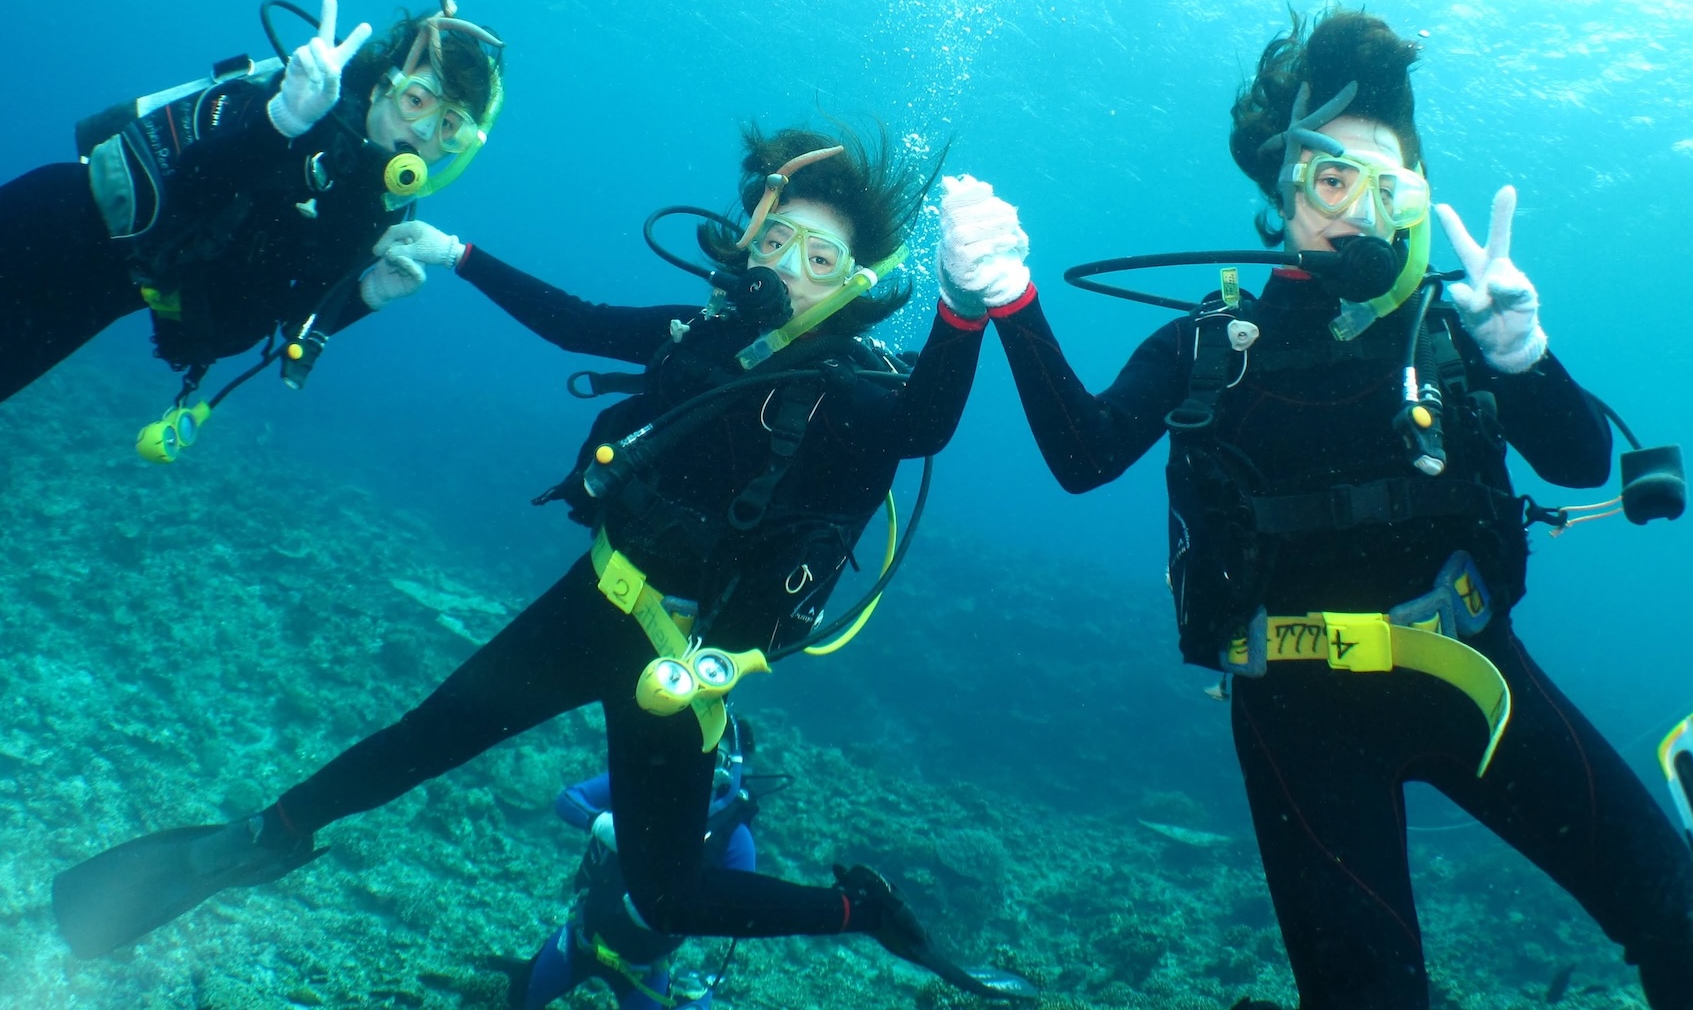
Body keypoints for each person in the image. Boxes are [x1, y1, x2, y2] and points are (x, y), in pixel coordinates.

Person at [51, 126, 1035, 1001]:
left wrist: (958, 309)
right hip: (596, 600)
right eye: (774, 241)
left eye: (820, 257)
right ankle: (262, 840)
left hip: (678, 661)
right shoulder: (699, 335)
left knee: (667, 893)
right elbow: (578, 319)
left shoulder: (855, 392)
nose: (786, 267)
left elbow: (926, 424)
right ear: (743, 241)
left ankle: (862, 914)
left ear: (857, 283)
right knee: (422, 736)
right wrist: (459, 253)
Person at [935, 11, 1693, 1010]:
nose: (1355, 210)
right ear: (1282, 186)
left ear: (1413, 197)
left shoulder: (1448, 327)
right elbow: (1083, 456)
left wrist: (1522, 353)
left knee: (1682, 919)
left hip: (1478, 673)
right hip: (1298, 719)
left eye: (1384, 183)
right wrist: (1007, 297)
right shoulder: (1213, 341)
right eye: (1328, 178)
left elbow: (1576, 457)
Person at [0, 0, 502, 505]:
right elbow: (198, 181)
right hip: (79, 212)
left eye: (453, 128)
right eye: (419, 101)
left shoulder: (377, 218)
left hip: (112, 286)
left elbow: (275, 316)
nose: (427, 136)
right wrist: (283, 120)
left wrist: (363, 298)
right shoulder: (307, 92)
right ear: (384, 81)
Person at [500, 717, 762, 1010]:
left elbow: (743, 911)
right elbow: (568, 800)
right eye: (693, 752)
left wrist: (680, 912)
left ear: (730, 770)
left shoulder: (734, 836)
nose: (697, 769)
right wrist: (600, 823)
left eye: (714, 758)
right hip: (580, 938)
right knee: (516, 1001)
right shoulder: (639, 782)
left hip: (645, 969)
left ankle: (695, 999)